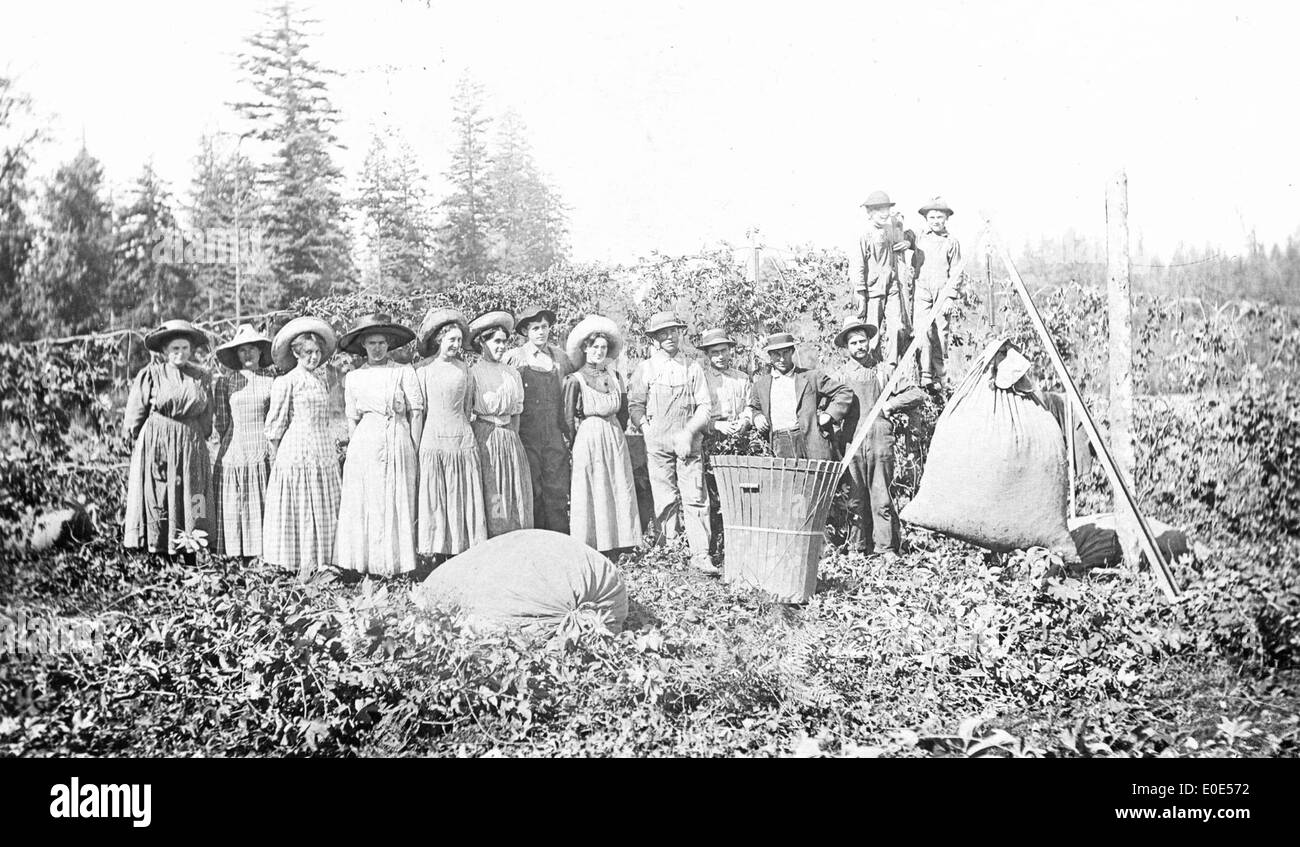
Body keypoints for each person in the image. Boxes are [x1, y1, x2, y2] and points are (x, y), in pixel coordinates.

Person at [334, 314, 423, 577]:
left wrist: (413, 449)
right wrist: (354, 452)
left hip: (397, 437)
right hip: (366, 441)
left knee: (396, 500)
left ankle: (397, 564)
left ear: (389, 344)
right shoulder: (354, 378)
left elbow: (416, 412)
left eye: (382, 342)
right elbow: (352, 419)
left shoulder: (403, 372)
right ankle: (367, 565)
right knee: (368, 500)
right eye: (371, 342)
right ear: (362, 345)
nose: (377, 348)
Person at [628, 311, 715, 573]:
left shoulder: (693, 367)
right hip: (658, 442)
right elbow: (635, 405)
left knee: (695, 496)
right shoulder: (646, 368)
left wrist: (689, 432)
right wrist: (647, 429)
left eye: (672, 331)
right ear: (654, 338)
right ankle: (670, 550)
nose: (669, 337)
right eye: (662, 333)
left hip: (688, 441)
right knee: (664, 496)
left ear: (679, 333)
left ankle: (700, 554)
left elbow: (705, 407)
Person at [832, 316, 926, 557]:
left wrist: (890, 405)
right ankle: (857, 548)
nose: (859, 347)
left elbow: (915, 393)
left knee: (881, 496)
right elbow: (827, 404)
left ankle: (886, 549)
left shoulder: (885, 371)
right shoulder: (840, 376)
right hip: (852, 442)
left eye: (862, 341)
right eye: (853, 343)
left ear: (869, 342)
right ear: (846, 347)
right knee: (855, 497)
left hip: (880, 441)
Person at [122, 319, 214, 562]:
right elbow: (135, 414)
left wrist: (198, 439)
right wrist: (135, 438)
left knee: (195, 494)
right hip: (158, 442)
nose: (180, 353)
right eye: (175, 348)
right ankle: (162, 555)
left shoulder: (201, 376)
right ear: (164, 351)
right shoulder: (151, 374)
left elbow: (207, 417)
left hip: (192, 444)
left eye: (185, 348)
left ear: (191, 350)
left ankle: (194, 553)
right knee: (160, 493)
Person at [262, 317, 342, 579]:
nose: (314, 357)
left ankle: (322, 562)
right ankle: (301, 563)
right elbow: (275, 425)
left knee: (321, 502)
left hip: (321, 449)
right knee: (303, 505)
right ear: (296, 353)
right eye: (308, 352)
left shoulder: (319, 381)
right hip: (297, 452)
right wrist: (275, 459)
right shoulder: (287, 382)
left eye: (317, 352)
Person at [564, 315, 641, 554]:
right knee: (593, 487)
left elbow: (625, 410)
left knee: (617, 484)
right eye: (594, 347)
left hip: (614, 434)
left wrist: (615, 428)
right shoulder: (574, 380)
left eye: (603, 347)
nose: (599, 352)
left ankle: (622, 542)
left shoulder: (616, 377)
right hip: (589, 436)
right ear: (585, 349)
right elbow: (567, 418)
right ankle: (593, 543)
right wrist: (575, 442)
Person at [416, 308, 487, 557]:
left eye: (459, 340)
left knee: (461, 496)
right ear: (438, 340)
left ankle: (462, 549)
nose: (456, 345)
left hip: (461, 439)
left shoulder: (464, 370)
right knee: (436, 499)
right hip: (433, 439)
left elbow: (468, 407)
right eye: (451, 340)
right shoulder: (422, 370)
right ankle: (435, 553)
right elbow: (419, 411)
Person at [501, 305, 572, 533]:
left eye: (544, 327)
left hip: (554, 433)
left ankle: (560, 542)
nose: (541, 332)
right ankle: (536, 543)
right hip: (526, 434)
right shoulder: (514, 358)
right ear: (526, 332)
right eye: (535, 328)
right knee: (533, 489)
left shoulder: (560, 358)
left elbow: (569, 393)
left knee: (557, 488)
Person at [211, 324, 275, 560]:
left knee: (263, 500)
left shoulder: (272, 380)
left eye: (251, 349)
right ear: (236, 355)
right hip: (235, 448)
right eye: (241, 350)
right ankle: (235, 556)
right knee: (236, 503)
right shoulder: (226, 382)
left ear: (260, 352)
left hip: (263, 449)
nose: (247, 355)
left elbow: (277, 419)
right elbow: (221, 422)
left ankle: (263, 558)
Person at [467, 309, 534, 537]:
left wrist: (511, 438)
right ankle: (496, 535)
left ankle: (516, 538)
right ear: (482, 343)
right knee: (494, 490)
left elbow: (516, 412)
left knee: (513, 488)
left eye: (504, 342)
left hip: (509, 438)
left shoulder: (512, 373)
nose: (501, 347)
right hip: (485, 437)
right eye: (496, 342)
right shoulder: (473, 373)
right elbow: (467, 411)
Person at [746, 331, 853, 461]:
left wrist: (829, 415)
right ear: (770, 356)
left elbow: (844, 392)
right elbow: (753, 408)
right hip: (778, 443)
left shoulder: (811, 377)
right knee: (785, 480)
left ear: (792, 352)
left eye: (785, 352)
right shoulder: (760, 385)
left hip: (811, 441)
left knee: (813, 480)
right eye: (776, 354)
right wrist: (757, 416)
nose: (781, 359)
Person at [696, 327, 751, 554]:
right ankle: (718, 546)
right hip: (713, 441)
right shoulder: (702, 379)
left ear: (730, 352)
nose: (720, 356)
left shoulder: (742, 378)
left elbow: (751, 405)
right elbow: (695, 414)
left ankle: (742, 545)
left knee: (741, 493)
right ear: (708, 355)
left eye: (723, 351)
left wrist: (746, 421)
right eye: (714, 352)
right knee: (716, 495)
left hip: (740, 441)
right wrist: (716, 425)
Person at [853, 190, 918, 366]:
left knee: (897, 328)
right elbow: (857, 264)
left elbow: (909, 235)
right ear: (870, 212)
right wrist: (860, 291)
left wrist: (908, 243)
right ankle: (872, 368)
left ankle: (891, 367)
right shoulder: (864, 234)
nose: (884, 213)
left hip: (893, 288)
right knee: (872, 333)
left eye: (886, 209)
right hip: (873, 291)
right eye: (879, 210)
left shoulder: (891, 229)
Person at [912, 197, 961, 393]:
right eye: (931, 217)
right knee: (922, 330)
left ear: (946, 218)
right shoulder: (919, 238)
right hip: (922, 289)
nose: (935, 221)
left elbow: (957, 270)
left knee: (941, 334)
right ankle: (924, 374)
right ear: (926, 219)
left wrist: (950, 296)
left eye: (939, 217)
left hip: (942, 290)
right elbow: (905, 238)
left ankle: (941, 377)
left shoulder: (951, 242)